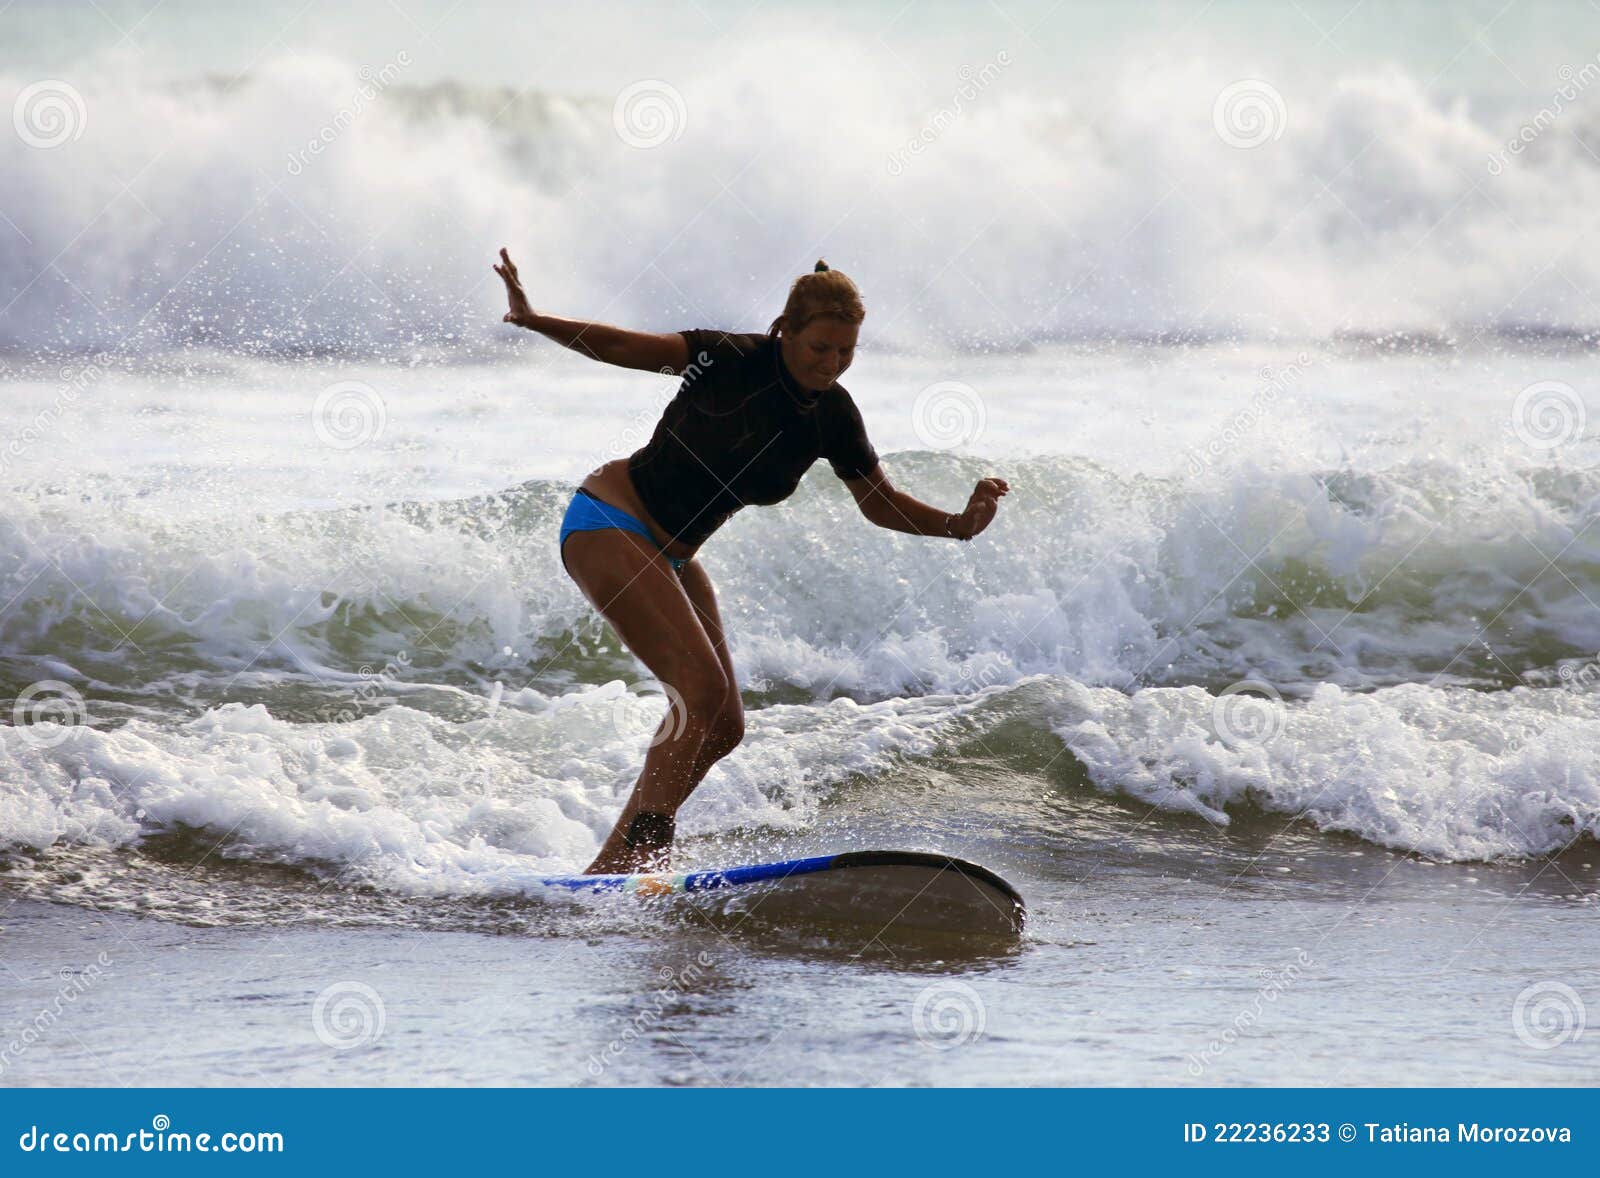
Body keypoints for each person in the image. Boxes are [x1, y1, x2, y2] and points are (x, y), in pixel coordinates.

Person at [492, 247, 1008, 873]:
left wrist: (960, 525)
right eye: (820, 348)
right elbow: (629, 347)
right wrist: (536, 318)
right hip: (609, 522)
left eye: (846, 352)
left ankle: (612, 866)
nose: (832, 364)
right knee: (700, 692)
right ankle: (649, 848)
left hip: (673, 557)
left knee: (723, 724)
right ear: (784, 331)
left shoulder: (834, 416)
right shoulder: (728, 357)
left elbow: (880, 503)